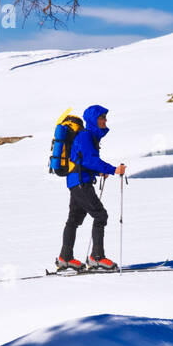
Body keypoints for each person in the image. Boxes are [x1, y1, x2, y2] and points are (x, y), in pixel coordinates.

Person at [57, 104, 125, 272]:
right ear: (94, 120)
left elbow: (83, 160)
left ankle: (65, 258)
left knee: (74, 220)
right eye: (102, 117)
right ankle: (97, 258)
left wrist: (99, 172)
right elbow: (89, 160)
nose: (105, 120)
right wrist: (112, 169)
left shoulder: (88, 137)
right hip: (81, 182)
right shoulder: (86, 136)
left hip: (77, 181)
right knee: (100, 215)